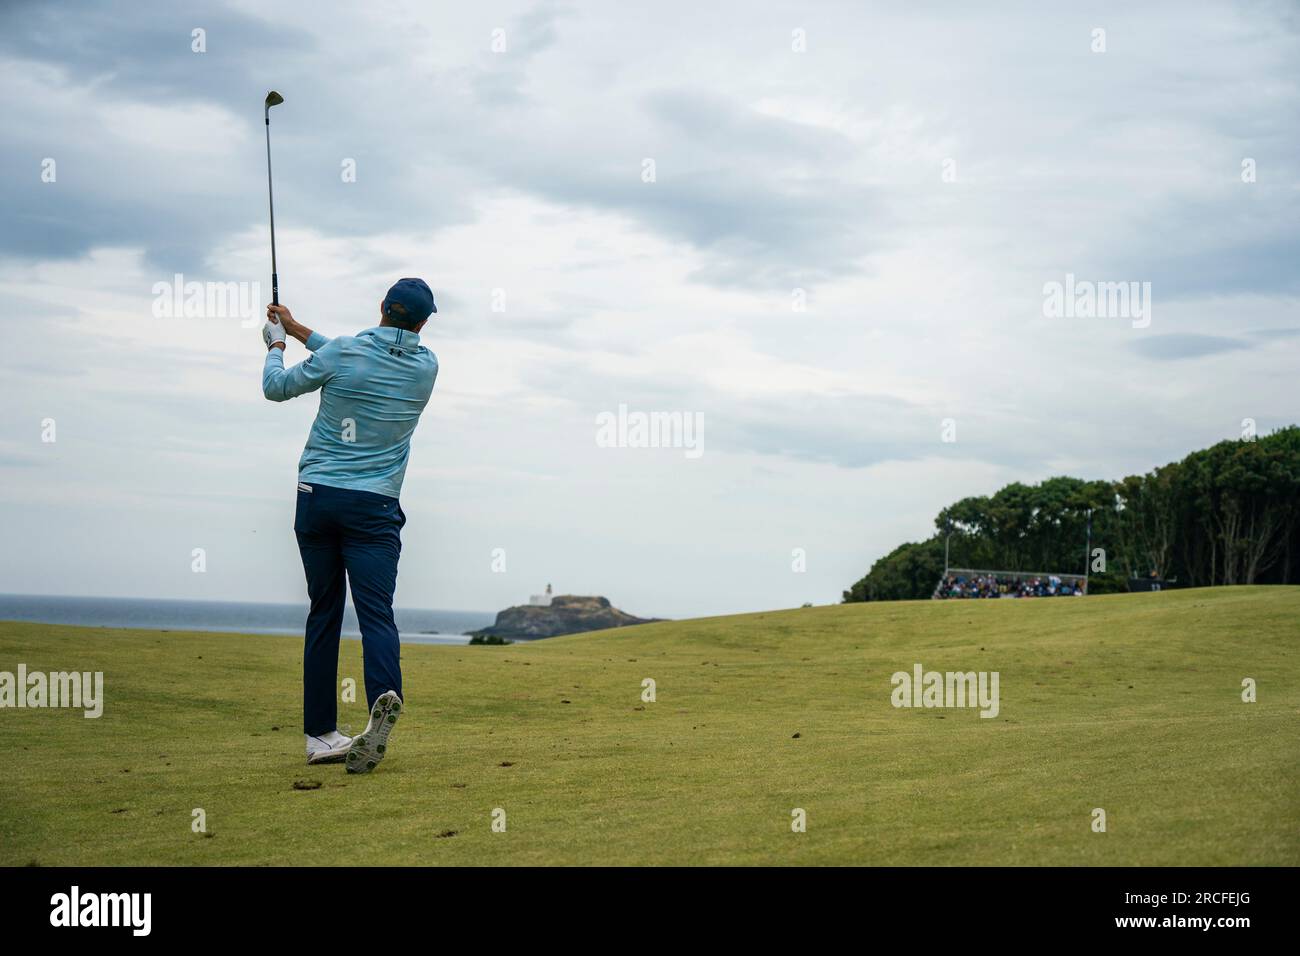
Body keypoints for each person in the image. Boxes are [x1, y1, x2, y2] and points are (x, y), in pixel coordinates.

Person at [261, 278, 439, 772]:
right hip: (375, 508)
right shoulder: (427, 366)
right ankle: (385, 694)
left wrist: (277, 343)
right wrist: (297, 328)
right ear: (423, 324)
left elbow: (277, 388)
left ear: (381, 308)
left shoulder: (342, 354)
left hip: (318, 499)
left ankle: (320, 736)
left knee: (324, 612)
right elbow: (352, 356)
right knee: (376, 613)